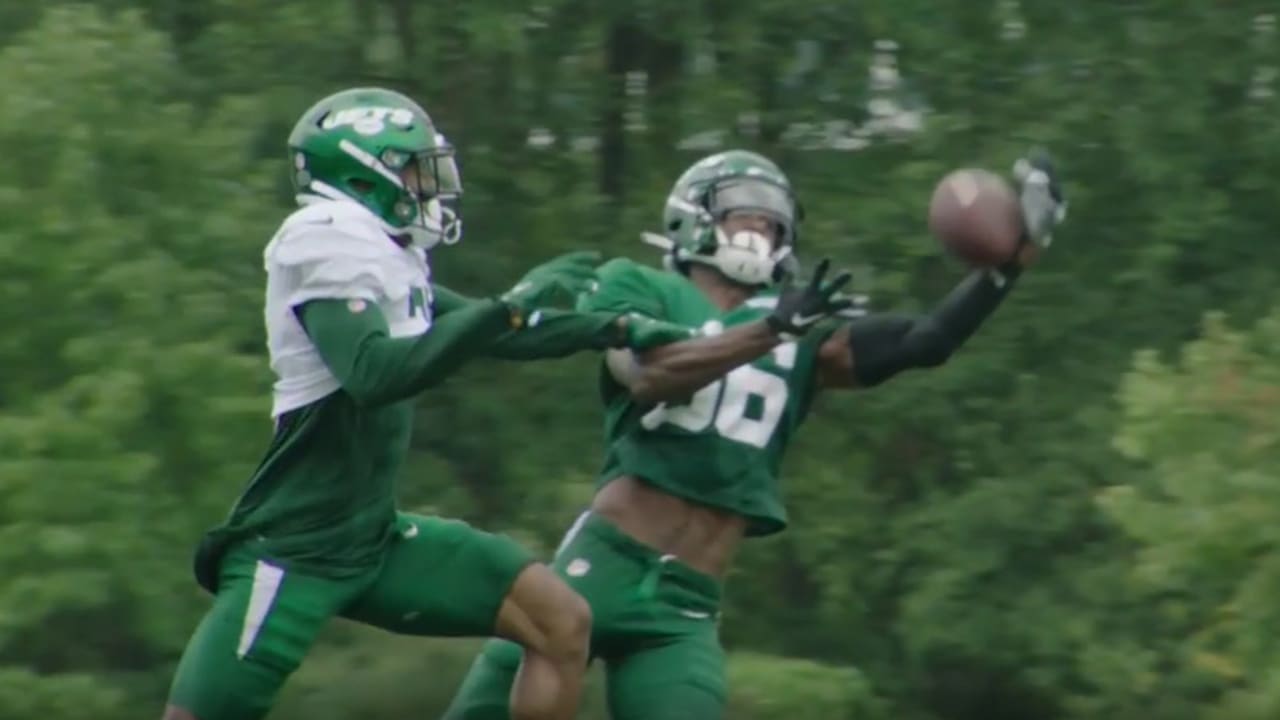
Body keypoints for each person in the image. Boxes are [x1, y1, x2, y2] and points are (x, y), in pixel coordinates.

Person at [445, 148, 1066, 719]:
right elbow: (651, 376)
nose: (757, 233)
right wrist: (772, 329)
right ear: (694, 219)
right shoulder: (642, 286)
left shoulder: (802, 331)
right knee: (490, 705)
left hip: (686, 602)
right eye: (743, 217)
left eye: (770, 225)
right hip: (602, 565)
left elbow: (925, 342)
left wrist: (1010, 266)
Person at [161, 86, 693, 720]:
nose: (428, 185)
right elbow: (375, 375)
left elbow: (495, 333)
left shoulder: (387, 253)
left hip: (373, 538)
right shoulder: (323, 237)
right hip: (293, 548)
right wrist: (513, 305)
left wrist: (616, 329)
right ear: (365, 171)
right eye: (415, 168)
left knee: (560, 622)